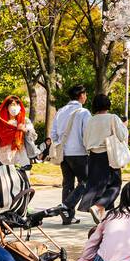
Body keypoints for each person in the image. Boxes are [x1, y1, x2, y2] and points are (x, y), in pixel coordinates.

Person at [77, 93, 128, 222]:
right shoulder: (112, 118)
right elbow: (122, 136)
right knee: (115, 185)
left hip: (94, 156)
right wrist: (124, 126)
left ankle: (107, 217)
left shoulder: (90, 120)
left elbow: (85, 140)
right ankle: (99, 206)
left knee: (98, 186)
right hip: (109, 155)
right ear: (108, 104)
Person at [49, 84, 90, 224]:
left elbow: (53, 134)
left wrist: (61, 142)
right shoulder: (83, 112)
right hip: (79, 152)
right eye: (85, 94)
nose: (86, 96)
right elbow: (87, 134)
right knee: (85, 181)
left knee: (67, 183)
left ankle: (67, 216)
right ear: (81, 95)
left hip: (63, 153)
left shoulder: (60, 111)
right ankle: (67, 205)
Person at [0, 95, 37, 168]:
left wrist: (25, 130)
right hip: (5, 157)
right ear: (7, 107)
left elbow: (34, 136)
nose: (15, 107)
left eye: (17, 104)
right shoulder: (0, 123)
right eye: (12, 104)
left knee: (22, 177)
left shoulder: (25, 121)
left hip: (21, 156)